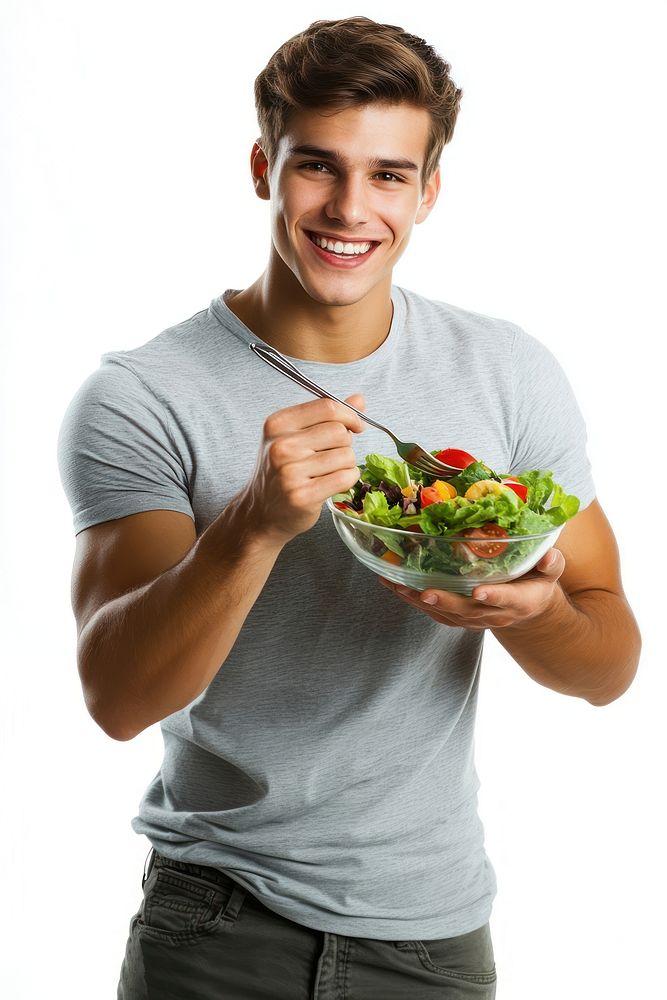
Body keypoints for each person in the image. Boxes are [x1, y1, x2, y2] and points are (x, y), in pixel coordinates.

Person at [57, 16, 640, 1000]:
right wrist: (250, 526)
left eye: (388, 175)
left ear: (428, 191)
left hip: (433, 935)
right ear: (261, 167)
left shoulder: (504, 372)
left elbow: (609, 663)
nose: (350, 208)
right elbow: (118, 696)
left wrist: (531, 614)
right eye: (316, 166)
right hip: (216, 925)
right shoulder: (141, 395)